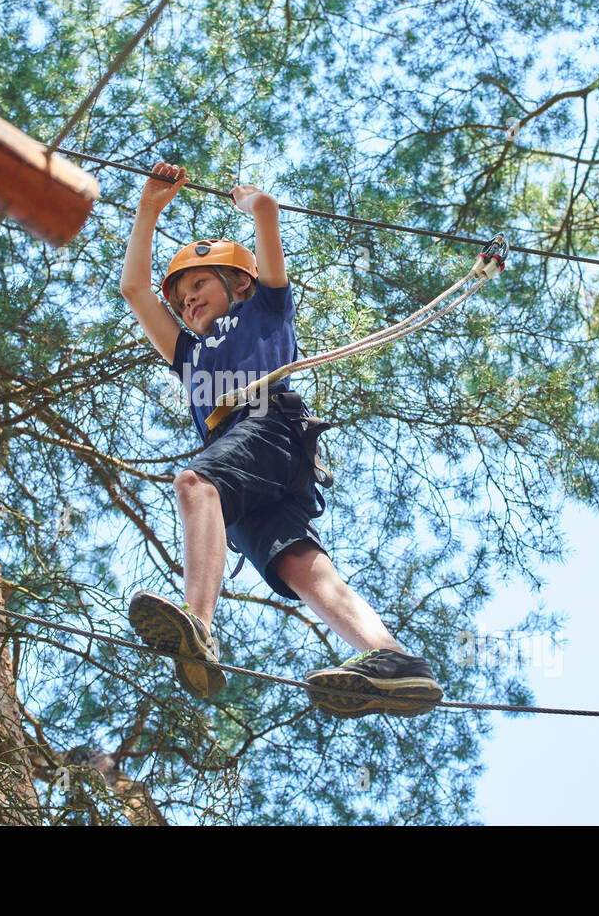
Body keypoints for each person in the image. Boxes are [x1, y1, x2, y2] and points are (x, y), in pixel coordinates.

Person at [118, 161, 443, 718]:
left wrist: (252, 203)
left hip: (267, 423)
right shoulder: (188, 351)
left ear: (238, 282)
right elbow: (133, 289)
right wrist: (148, 209)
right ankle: (391, 659)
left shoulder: (265, 309)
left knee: (196, 485)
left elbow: (267, 214)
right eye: (182, 297)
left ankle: (197, 625)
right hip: (256, 462)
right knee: (297, 564)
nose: (188, 300)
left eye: (200, 284)